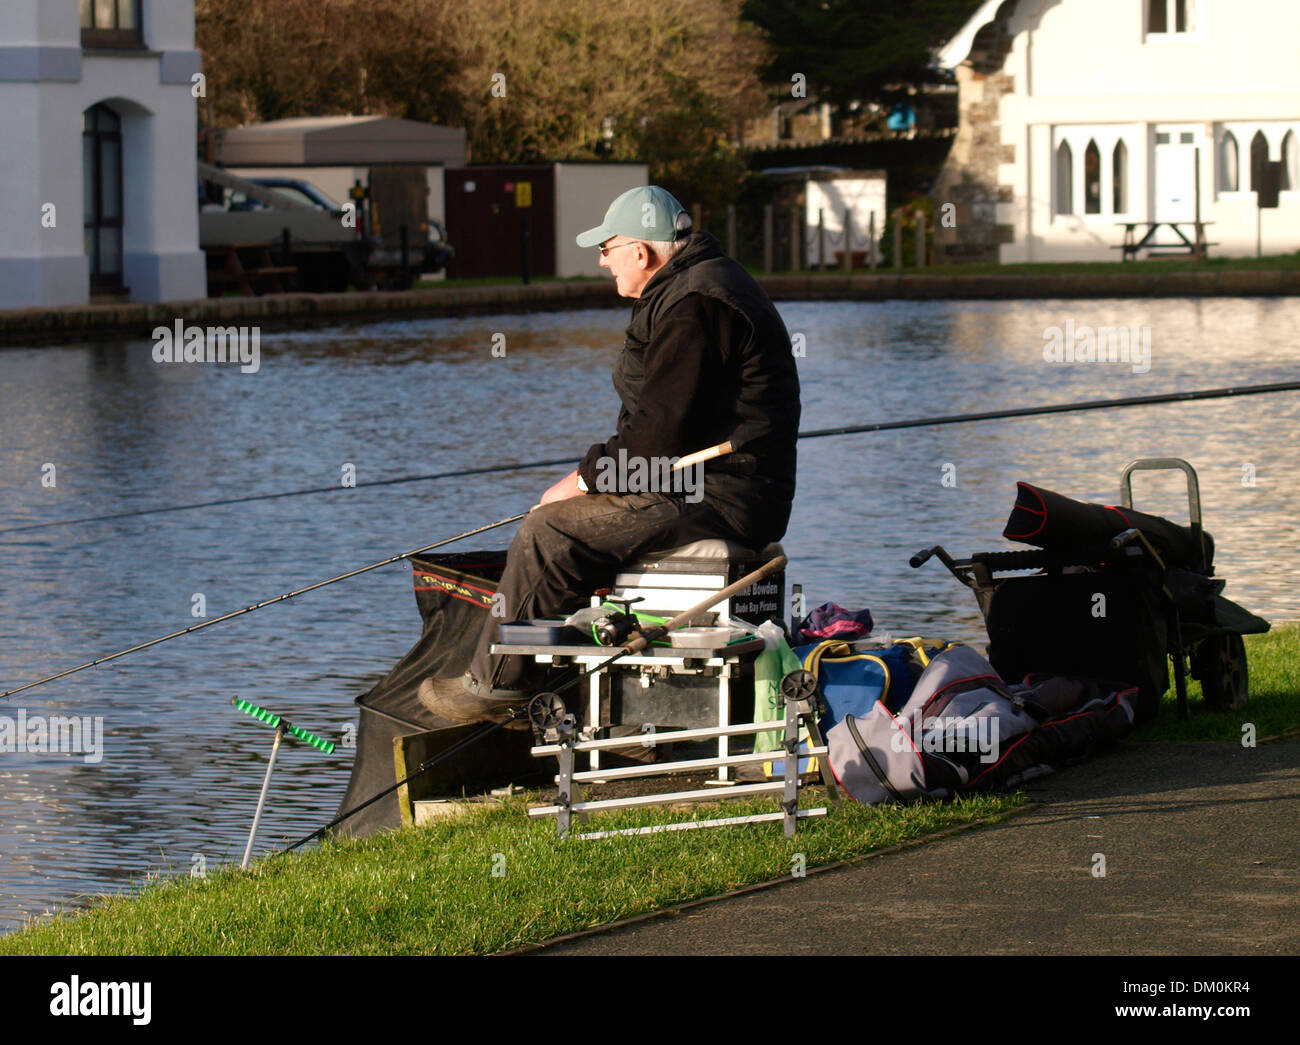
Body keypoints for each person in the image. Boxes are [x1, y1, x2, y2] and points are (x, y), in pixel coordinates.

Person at [419, 185, 800, 725]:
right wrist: (600, 474)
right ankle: (564, 692)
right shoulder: (696, 286)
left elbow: (658, 440)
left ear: (640, 252)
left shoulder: (693, 304)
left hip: (717, 494)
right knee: (571, 527)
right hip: (707, 485)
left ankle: (497, 687)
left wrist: (582, 479)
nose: (601, 261)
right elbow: (661, 427)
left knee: (549, 534)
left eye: (607, 248)